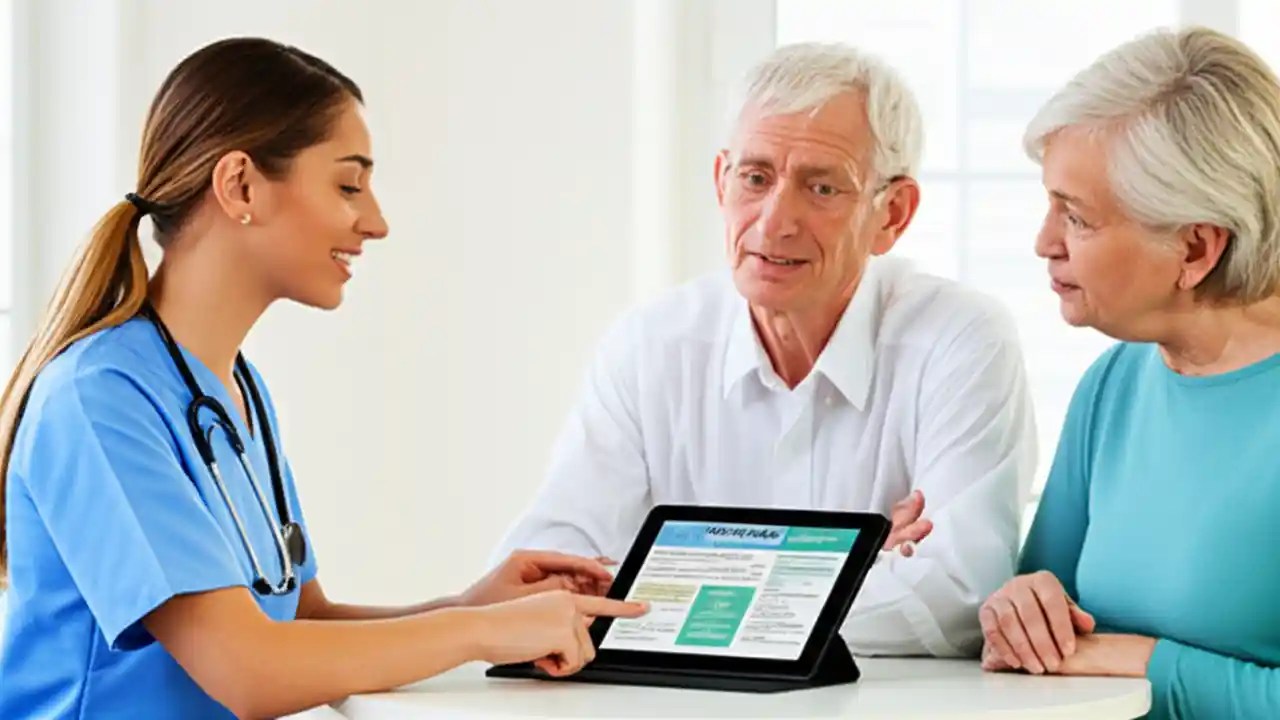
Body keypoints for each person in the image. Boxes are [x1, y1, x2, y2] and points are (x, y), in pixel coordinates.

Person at [0, 37, 645, 719]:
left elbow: (301, 622)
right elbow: (248, 670)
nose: (376, 222)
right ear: (241, 185)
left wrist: (468, 604)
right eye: (348, 185)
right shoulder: (99, 399)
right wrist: (481, 633)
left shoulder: (236, 392)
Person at [494, 42, 1037, 657]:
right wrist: (844, 572)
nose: (775, 221)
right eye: (755, 178)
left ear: (893, 214)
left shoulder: (959, 340)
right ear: (721, 182)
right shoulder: (651, 344)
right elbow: (544, 579)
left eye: (823, 188)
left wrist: (653, 590)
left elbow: (959, 597)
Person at [978, 27, 1280, 720]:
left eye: (1076, 218)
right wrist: (1015, 611)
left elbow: (1112, 658)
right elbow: (1043, 616)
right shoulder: (1115, 382)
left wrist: (1150, 664)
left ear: (1196, 247)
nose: (1042, 243)